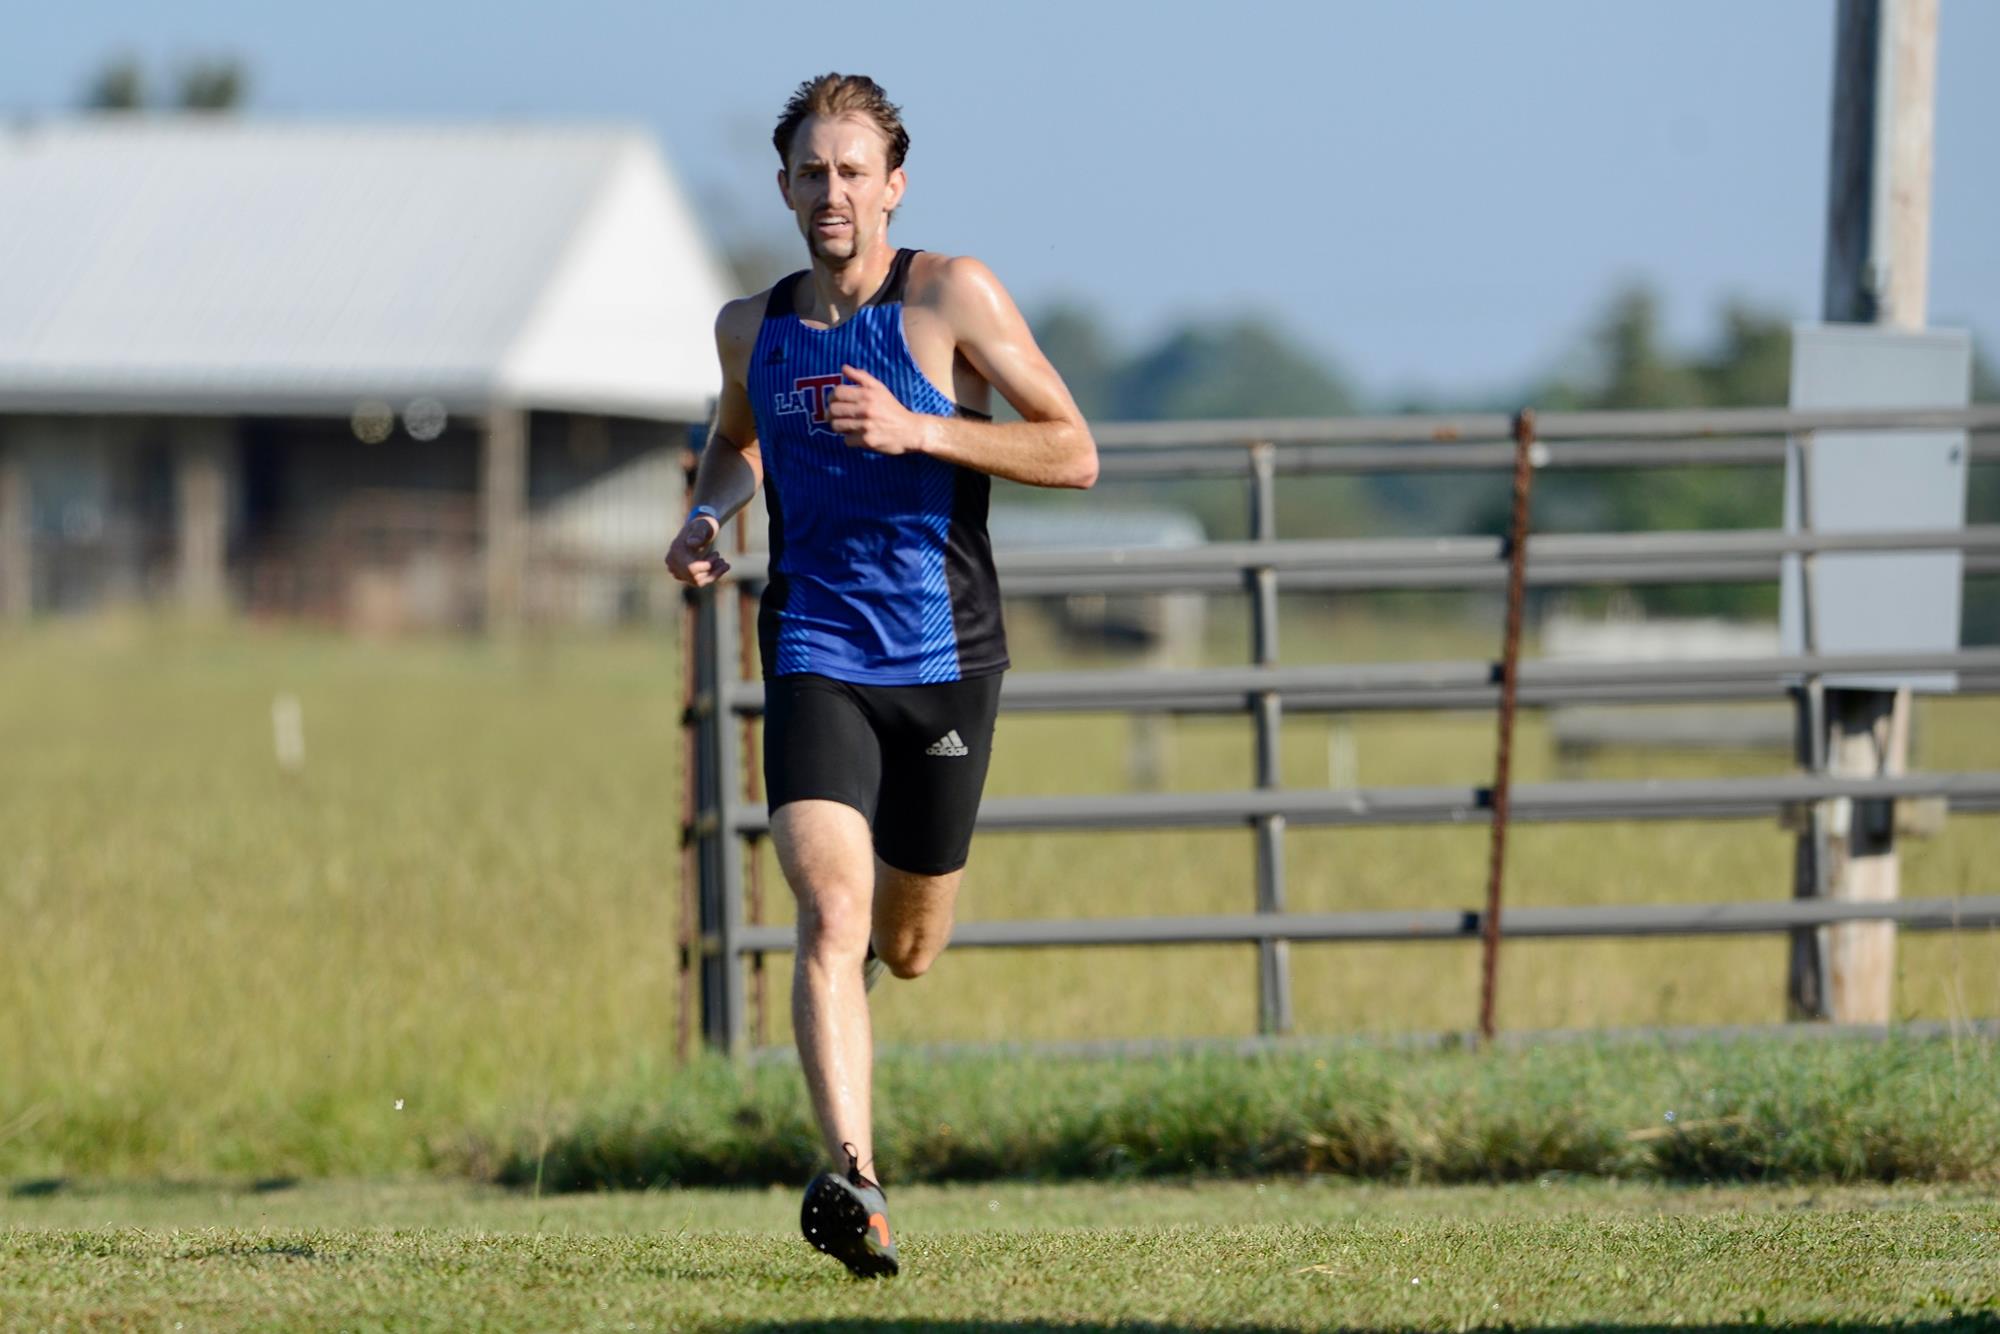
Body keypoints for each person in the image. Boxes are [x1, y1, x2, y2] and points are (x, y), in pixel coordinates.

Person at [665, 72, 1096, 1278]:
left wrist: (925, 429)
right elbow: (733, 445)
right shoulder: (752, 327)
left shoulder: (951, 295)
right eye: (812, 171)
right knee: (829, 911)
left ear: (893, 185)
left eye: (854, 170)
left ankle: (859, 1064)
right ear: (786, 186)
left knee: (905, 943)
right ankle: (854, 1179)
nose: (832, 190)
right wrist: (708, 516)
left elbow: (1072, 449)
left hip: (946, 659)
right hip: (813, 646)